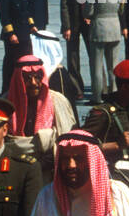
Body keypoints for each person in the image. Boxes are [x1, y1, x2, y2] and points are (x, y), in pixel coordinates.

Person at [81, 60, 129, 195]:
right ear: (124, 87)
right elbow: (81, 146)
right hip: (115, 180)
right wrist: (116, 145)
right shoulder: (103, 112)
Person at [5, 54, 77, 182]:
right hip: (14, 170)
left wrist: (40, 164)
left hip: (49, 170)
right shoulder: (6, 103)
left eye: (38, 78)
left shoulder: (57, 101)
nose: (34, 83)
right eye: (27, 79)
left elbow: (67, 138)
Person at [0, 0, 36, 91]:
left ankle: (23, 88)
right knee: (12, 63)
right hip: (14, 35)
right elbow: (4, 15)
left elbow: (26, 11)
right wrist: (10, 34)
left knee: (25, 62)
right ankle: (8, 89)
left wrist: (32, 25)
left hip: (24, 33)